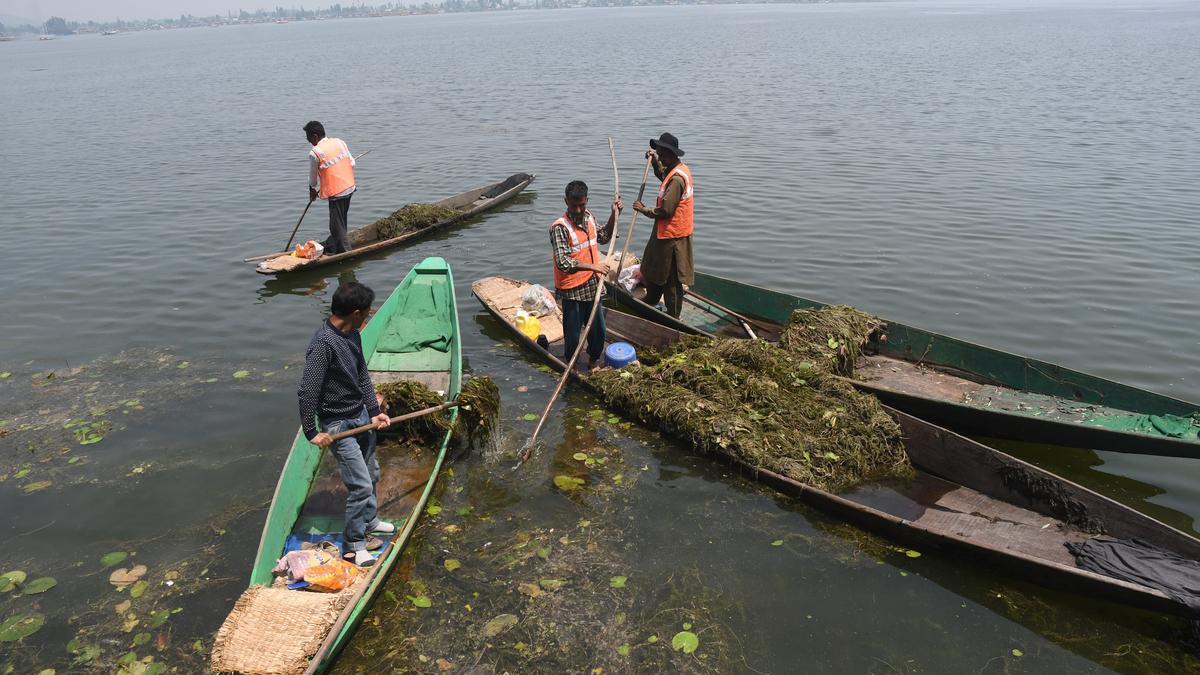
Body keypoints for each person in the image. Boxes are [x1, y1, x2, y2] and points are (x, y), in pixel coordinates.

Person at [298, 281, 393, 567]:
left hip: (361, 415)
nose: (367, 317)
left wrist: (375, 411)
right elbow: (308, 391)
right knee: (360, 486)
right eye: (366, 312)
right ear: (354, 312)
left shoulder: (352, 334)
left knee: (372, 473)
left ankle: (370, 520)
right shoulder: (323, 345)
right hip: (338, 424)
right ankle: (354, 545)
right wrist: (312, 432)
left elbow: (362, 375)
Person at [549, 180, 623, 370]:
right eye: (574, 205)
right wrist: (593, 267)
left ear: (587, 200)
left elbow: (604, 237)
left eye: (582, 204)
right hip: (572, 288)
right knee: (573, 335)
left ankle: (593, 360)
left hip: (592, 283)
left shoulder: (589, 217)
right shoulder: (560, 227)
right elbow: (563, 262)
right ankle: (571, 364)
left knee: (598, 330)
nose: (579, 209)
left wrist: (614, 215)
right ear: (566, 201)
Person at [632, 132, 694, 319]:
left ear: (669, 154)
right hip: (664, 233)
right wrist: (653, 161)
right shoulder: (674, 170)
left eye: (660, 153)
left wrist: (643, 209)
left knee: (672, 280)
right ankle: (651, 298)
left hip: (674, 236)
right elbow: (662, 174)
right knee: (654, 267)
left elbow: (665, 210)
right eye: (657, 153)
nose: (659, 156)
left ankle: (673, 317)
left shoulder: (677, 179)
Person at [304, 120, 357, 255]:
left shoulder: (315, 152)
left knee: (335, 226)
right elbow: (352, 163)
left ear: (315, 136)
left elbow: (313, 180)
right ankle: (336, 246)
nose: (308, 140)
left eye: (308, 137)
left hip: (337, 191)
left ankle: (346, 253)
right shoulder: (339, 142)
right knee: (341, 221)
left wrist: (312, 190)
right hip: (349, 187)